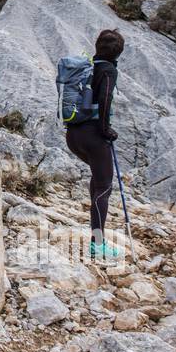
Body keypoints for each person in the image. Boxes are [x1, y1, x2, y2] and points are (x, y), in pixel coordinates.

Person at [65, 29, 123, 261]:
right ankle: (97, 246)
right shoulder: (108, 70)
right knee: (104, 188)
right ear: (118, 52)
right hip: (93, 137)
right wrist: (106, 131)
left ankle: (96, 242)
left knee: (97, 183)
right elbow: (106, 98)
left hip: (73, 135)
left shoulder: (86, 68)